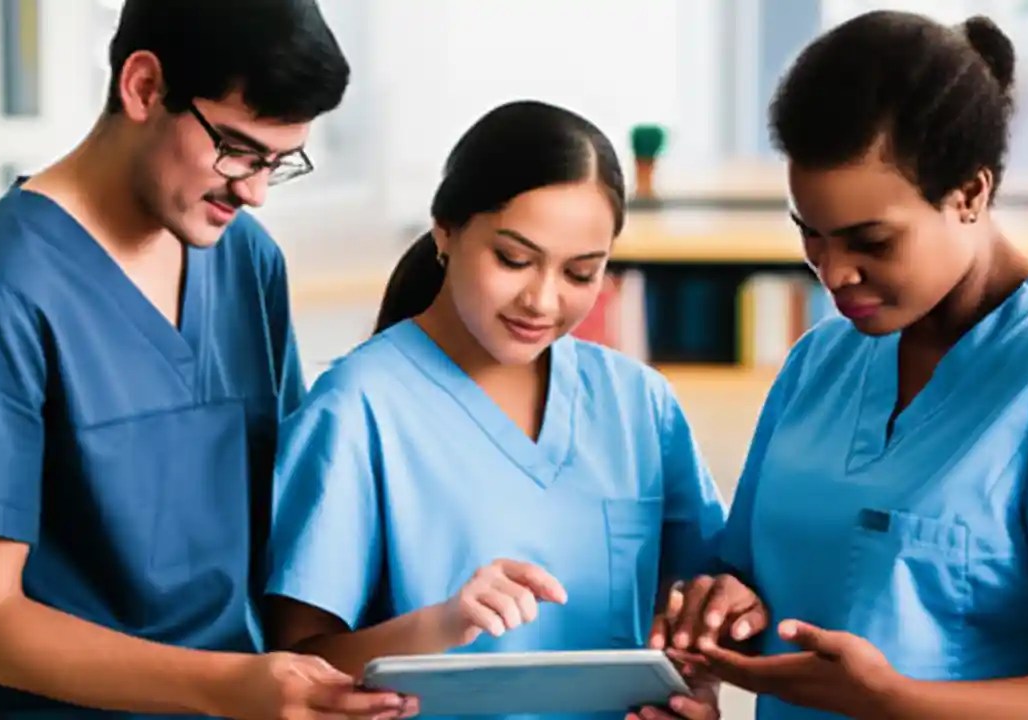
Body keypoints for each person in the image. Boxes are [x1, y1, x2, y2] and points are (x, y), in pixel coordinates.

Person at [0, 1, 416, 718]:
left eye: (278, 161)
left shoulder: (244, 258)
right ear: (143, 87)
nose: (255, 190)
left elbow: (289, 523)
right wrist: (230, 687)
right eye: (236, 149)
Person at [658, 10, 1028, 720]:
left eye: (870, 241)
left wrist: (899, 701)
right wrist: (728, 605)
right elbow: (752, 573)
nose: (834, 273)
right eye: (810, 234)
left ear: (971, 193)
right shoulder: (820, 362)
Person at [261, 100, 729, 720]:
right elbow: (295, 669)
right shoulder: (356, 409)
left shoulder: (637, 404)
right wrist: (441, 627)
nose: (542, 300)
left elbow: (698, 616)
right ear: (446, 230)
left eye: (581, 273)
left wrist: (696, 694)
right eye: (513, 260)